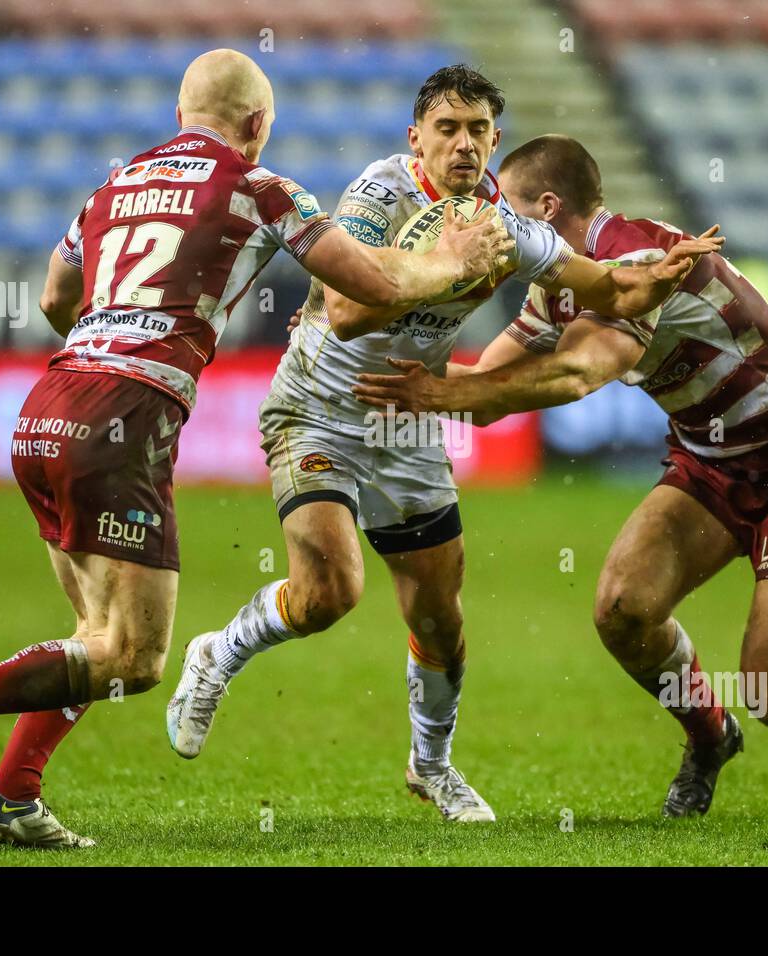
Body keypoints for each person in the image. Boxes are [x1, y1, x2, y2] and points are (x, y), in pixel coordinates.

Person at [0, 49, 513, 848]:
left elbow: (52, 297)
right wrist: (451, 262)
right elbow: (366, 291)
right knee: (134, 658)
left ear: (180, 119)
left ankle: (10, 796)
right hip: (123, 418)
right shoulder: (259, 184)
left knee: (90, 629)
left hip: (48, 404)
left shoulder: (115, 183)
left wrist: (111, 343)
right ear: (257, 125)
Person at [167, 68, 721, 823]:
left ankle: (431, 767)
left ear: (495, 141)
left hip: (406, 425)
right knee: (331, 591)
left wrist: (657, 278)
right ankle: (218, 654)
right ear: (416, 138)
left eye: (479, 131)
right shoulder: (380, 194)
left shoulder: (509, 226)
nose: (464, 145)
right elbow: (348, 311)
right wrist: (451, 265)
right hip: (320, 407)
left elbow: (608, 292)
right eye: (448, 129)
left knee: (440, 618)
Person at [353, 135, 768, 817]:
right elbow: (492, 387)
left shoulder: (639, 261)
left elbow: (576, 373)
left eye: (508, 206)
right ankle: (710, 735)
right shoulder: (558, 286)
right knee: (624, 610)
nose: (493, 220)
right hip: (711, 459)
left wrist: (442, 396)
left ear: (548, 208)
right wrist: (359, 353)